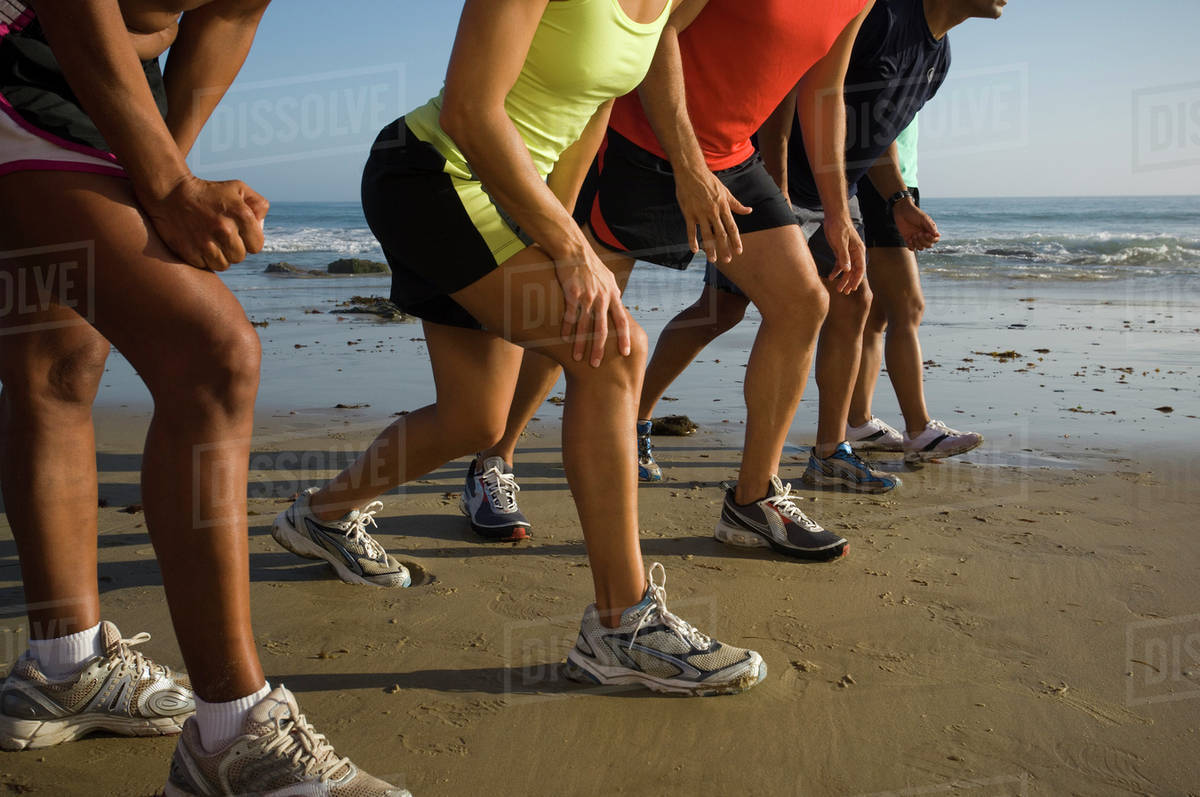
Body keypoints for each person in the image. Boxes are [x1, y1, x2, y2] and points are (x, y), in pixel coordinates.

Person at [271, 0, 767, 697]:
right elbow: (470, 111)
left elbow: (594, 109)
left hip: (509, 200)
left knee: (476, 419)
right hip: (433, 176)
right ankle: (621, 624)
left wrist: (559, 233)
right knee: (614, 348)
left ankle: (318, 516)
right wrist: (567, 247)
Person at [0, 2, 408, 794]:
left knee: (58, 365)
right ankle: (234, 734)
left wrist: (159, 178)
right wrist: (166, 182)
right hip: (21, 56)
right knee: (211, 354)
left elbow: (230, 11)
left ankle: (64, 665)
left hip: (111, 86)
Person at [458, 0, 876, 557]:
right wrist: (688, 166)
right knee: (581, 318)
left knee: (803, 303)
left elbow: (824, 93)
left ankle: (752, 501)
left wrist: (838, 213)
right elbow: (658, 33)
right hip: (641, 142)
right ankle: (493, 461)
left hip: (731, 157)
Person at [846, 116, 983, 464]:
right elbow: (879, 123)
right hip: (884, 182)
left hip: (890, 181)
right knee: (907, 308)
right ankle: (919, 429)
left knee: (876, 313)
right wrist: (901, 198)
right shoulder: (902, 62)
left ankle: (858, 422)